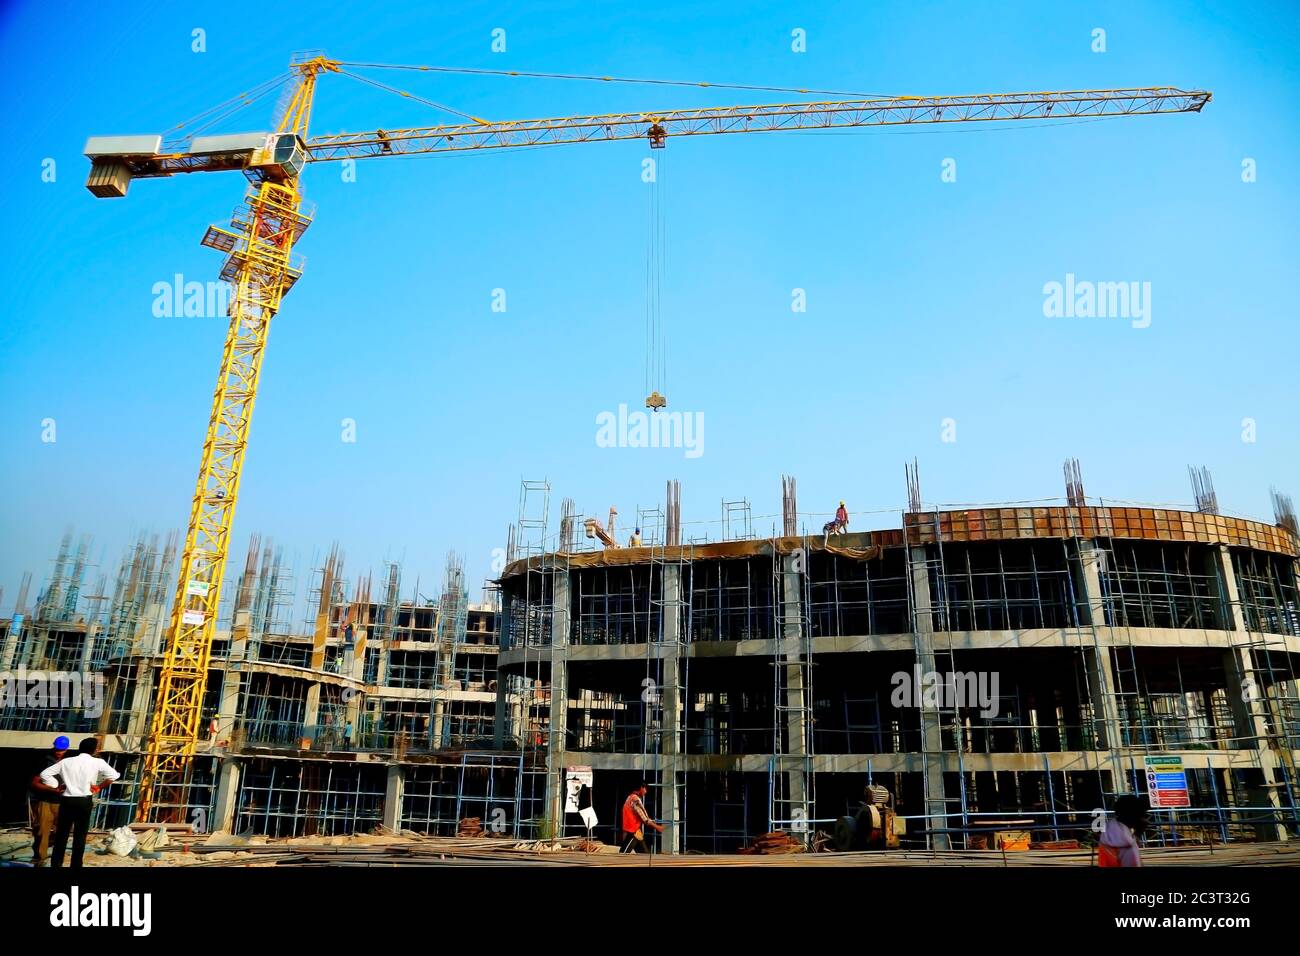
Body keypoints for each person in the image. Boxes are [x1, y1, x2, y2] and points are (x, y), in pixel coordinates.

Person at [41, 737, 121, 869]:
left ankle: (56, 864)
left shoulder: (66, 761)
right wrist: (99, 787)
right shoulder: (97, 762)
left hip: (67, 800)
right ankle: (76, 864)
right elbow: (114, 775)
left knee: (61, 835)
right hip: (84, 801)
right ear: (94, 749)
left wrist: (56, 785)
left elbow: (45, 774)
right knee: (80, 836)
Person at [28, 735, 69, 866]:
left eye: (61, 750)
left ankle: (56, 859)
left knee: (62, 832)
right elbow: (34, 783)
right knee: (41, 831)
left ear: (66, 749)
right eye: (57, 749)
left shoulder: (69, 763)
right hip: (45, 801)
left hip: (63, 802)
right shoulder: (44, 761)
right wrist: (50, 789)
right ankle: (39, 859)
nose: (58, 752)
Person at [1098, 794, 1150, 867]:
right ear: (1134, 816)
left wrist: (1137, 833)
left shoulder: (1107, 832)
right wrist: (1138, 832)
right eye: (1141, 815)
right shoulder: (1128, 847)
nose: (1143, 819)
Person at [620, 781, 664, 853]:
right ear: (641, 788)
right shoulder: (635, 800)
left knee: (644, 854)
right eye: (645, 789)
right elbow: (645, 819)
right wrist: (657, 827)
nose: (646, 792)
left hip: (634, 831)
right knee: (623, 854)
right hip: (633, 832)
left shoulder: (629, 797)